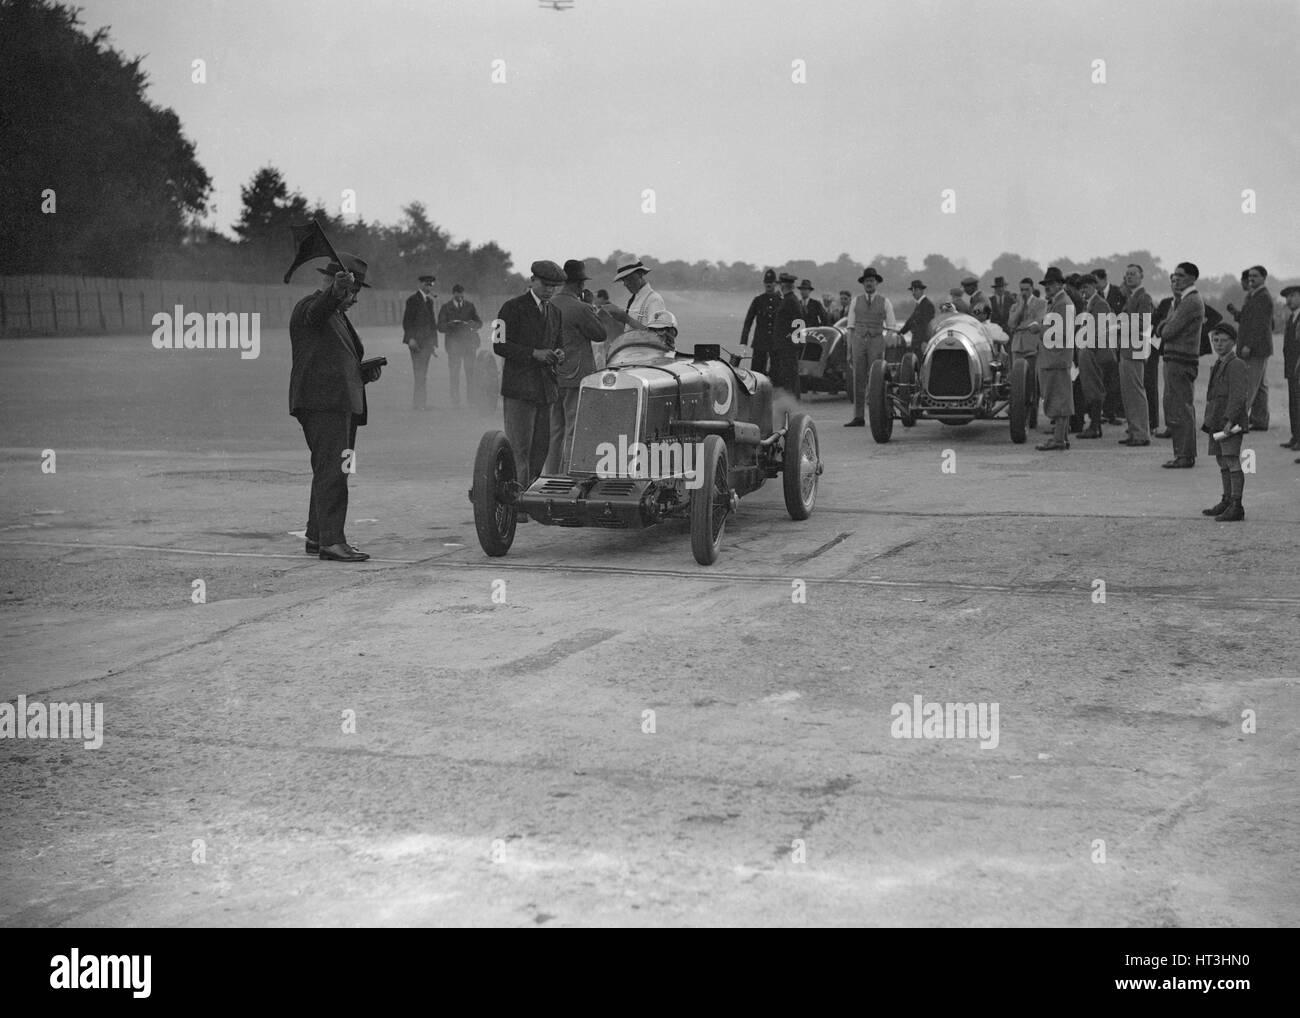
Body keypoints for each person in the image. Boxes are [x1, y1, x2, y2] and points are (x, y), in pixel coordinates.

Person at [289, 253, 382, 562]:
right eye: (351, 291)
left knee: (328, 470)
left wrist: (361, 372)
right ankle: (332, 541)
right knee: (334, 472)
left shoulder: (338, 315)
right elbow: (317, 311)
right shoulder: (312, 307)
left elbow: (333, 359)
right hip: (323, 405)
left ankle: (317, 536)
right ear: (332, 283)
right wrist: (336, 293)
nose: (354, 299)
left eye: (354, 292)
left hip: (338, 403)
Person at [495, 260, 565, 507]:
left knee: (541, 447)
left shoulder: (555, 312)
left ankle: (532, 498)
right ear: (532, 280)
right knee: (519, 449)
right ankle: (518, 500)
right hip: (519, 390)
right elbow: (498, 344)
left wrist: (559, 354)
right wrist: (533, 353)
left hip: (545, 390)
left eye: (554, 287)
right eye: (545, 285)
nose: (549, 291)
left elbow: (559, 343)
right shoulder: (510, 308)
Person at [550, 259, 607, 473]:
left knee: (555, 429)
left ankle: (550, 474)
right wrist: (590, 307)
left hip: (553, 375)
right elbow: (600, 334)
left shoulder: (550, 304)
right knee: (574, 428)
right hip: (576, 376)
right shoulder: (580, 307)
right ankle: (569, 474)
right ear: (580, 285)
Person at [1154, 261, 1205, 469]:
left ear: (1193, 278)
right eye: (1173, 277)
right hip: (1175, 359)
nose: (1175, 280)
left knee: (1181, 407)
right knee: (1176, 406)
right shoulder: (1180, 301)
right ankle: (1182, 454)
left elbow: (1166, 331)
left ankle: (1185, 455)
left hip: (1181, 360)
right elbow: (1162, 328)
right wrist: (1166, 325)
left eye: (1181, 276)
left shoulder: (1190, 301)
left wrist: (1166, 325)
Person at [1200, 323, 1250, 521]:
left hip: (1230, 422)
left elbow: (1238, 395)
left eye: (1223, 341)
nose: (1218, 344)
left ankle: (1237, 505)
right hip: (1217, 420)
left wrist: (1230, 419)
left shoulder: (1236, 364)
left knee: (1231, 459)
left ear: (1233, 342)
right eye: (1215, 340)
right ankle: (1227, 500)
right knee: (1222, 459)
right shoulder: (1219, 363)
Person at [1026, 267, 1073, 451]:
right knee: (1059, 398)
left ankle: (1059, 439)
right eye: (1047, 284)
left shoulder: (1062, 303)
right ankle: (1061, 437)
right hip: (1054, 358)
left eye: (1052, 284)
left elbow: (1060, 332)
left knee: (1058, 399)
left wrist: (1040, 329)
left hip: (1055, 358)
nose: (1048, 287)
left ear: (1060, 284)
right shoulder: (1058, 302)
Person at [844, 267, 896, 425]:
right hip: (859, 341)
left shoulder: (885, 301)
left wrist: (883, 342)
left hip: (876, 341)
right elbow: (850, 327)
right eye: (867, 281)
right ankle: (858, 417)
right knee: (858, 379)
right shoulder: (855, 301)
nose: (869, 284)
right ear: (863, 283)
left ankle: (877, 414)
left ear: (877, 283)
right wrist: (849, 349)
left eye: (872, 281)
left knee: (876, 379)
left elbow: (892, 326)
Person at [1117, 263, 1154, 446]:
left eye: (1133, 274)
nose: (1129, 277)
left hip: (1134, 349)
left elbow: (1143, 322)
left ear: (1141, 276)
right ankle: (1134, 431)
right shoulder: (1132, 296)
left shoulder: (1143, 297)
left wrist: (1120, 324)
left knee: (1136, 392)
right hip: (1127, 348)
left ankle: (1141, 433)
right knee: (1129, 393)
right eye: (1127, 274)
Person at [1234, 265, 1274, 431]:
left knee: (1249, 384)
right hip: (1259, 348)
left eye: (1255, 276)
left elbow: (1260, 325)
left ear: (1264, 278)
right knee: (1261, 386)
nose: (1251, 278)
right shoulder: (1254, 295)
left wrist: (1248, 345)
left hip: (1255, 349)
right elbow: (1247, 319)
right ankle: (1260, 420)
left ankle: (1240, 422)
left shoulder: (1262, 297)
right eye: (1250, 276)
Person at [1074, 274, 1114, 439]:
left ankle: (1095, 426)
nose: (1083, 291)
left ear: (1094, 287)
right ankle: (1094, 425)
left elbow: (1101, 331)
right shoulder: (1089, 305)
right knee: (1090, 389)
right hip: (1090, 353)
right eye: (1081, 288)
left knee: (1094, 389)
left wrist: (1086, 345)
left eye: (1086, 287)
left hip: (1096, 354)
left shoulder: (1100, 304)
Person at [1007, 277, 1046, 427]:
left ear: (1032, 288)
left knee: (1031, 382)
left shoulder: (1040, 304)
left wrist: (1019, 326)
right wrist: (1021, 307)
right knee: (1017, 383)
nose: (1023, 292)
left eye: (1026, 290)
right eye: (1021, 289)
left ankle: (1033, 417)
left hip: (1032, 347)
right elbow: (1011, 323)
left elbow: (1037, 321)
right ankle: (1018, 414)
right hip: (1017, 347)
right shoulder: (1015, 305)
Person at [437, 283, 483, 408]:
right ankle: (455, 400)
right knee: (454, 374)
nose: (460, 295)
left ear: (463, 293)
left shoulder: (470, 306)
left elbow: (479, 323)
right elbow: (440, 326)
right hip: (453, 346)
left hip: (469, 345)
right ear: (453, 294)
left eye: (461, 293)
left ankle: (471, 399)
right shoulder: (446, 307)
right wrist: (450, 325)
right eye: (457, 293)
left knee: (471, 373)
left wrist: (473, 324)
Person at [402, 274, 439, 410]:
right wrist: (410, 339)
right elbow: (407, 321)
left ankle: (421, 402)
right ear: (421, 284)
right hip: (416, 343)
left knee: (423, 374)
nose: (428, 287)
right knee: (419, 374)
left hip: (427, 344)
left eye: (430, 284)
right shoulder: (412, 300)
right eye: (426, 284)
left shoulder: (429, 302)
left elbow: (432, 324)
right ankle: (418, 403)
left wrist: (434, 343)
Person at [602, 259, 666, 332]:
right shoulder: (634, 299)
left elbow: (657, 335)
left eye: (630, 278)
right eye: (624, 280)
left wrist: (627, 319)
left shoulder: (654, 299)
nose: (626, 284)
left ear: (640, 274)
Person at [739, 268, 783, 374]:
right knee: (756, 372)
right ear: (764, 284)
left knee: (776, 373)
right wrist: (743, 342)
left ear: (775, 284)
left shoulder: (781, 301)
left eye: (771, 283)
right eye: (767, 283)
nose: (768, 285)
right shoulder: (758, 300)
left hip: (775, 343)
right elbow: (748, 322)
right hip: (760, 342)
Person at [772, 272, 803, 397]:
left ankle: (793, 400)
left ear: (783, 286)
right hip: (786, 345)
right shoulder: (789, 300)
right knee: (788, 374)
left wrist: (791, 340)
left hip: (787, 346)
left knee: (789, 375)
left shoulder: (790, 301)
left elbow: (798, 322)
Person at [1279, 284, 1300, 451]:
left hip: (1298, 368)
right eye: (1287, 297)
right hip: (1292, 368)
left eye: (1293, 296)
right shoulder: (1293, 317)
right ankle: (1296, 436)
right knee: (1294, 403)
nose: (1289, 300)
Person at [898, 279, 935, 360]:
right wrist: (901, 332)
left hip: (922, 342)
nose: (913, 293)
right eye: (912, 290)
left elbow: (927, 325)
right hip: (916, 341)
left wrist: (925, 341)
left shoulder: (927, 305)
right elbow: (911, 321)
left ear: (921, 291)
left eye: (916, 290)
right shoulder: (919, 304)